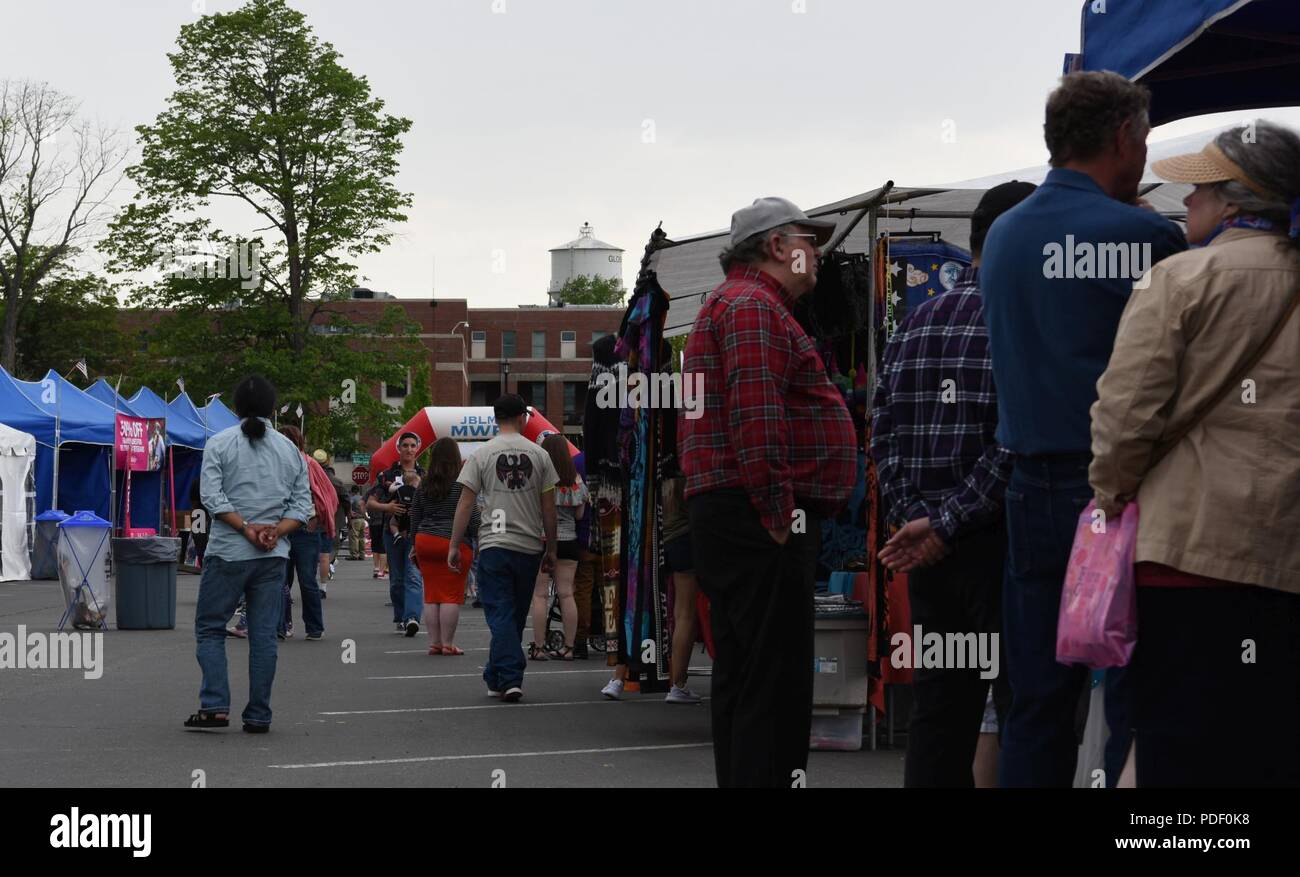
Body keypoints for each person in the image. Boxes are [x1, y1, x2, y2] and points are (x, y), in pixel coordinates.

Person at [980, 71, 1187, 788]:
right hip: (1126, 490)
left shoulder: (1004, 236)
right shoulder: (1150, 236)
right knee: (1136, 691)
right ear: (1125, 137)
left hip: (1029, 484)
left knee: (1037, 696)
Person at [1089, 121, 1300, 788]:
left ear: (1236, 202)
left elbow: (1124, 415)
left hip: (1186, 551)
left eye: (1200, 190)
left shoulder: (1177, 280)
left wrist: (1111, 494)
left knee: (1177, 744)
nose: (1187, 204)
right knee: (1271, 743)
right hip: (1286, 558)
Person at [680, 196, 857, 787]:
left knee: (749, 675)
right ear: (778, 247)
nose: (818, 256)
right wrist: (779, 515)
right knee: (771, 685)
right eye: (811, 243)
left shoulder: (738, 303)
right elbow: (758, 415)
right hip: (759, 517)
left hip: (740, 511)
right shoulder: (754, 305)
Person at [869, 181, 1036, 787]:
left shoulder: (913, 326)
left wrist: (923, 519)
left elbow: (880, 435)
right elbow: (1017, 439)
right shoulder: (1022, 323)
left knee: (940, 715)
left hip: (929, 553)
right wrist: (947, 521)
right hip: (1001, 544)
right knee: (1024, 708)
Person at [186, 374, 312, 733]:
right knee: (263, 636)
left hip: (228, 551)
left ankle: (214, 706)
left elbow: (211, 498)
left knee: (210, 629)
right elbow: (302, 506)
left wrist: (246, 528)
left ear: (236, 408)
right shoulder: (291, 451)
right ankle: (259, 714)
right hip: (273, 557)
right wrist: (275, 530)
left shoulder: (219, 443)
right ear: (273, 409)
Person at [448, 394, 559, 703]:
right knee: (512, 616)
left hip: (494, 545)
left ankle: (507, 676)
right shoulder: (540, 455)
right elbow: (549, 508)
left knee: (500, 614)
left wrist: (454, 544)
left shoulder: (481, 454)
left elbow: (466, 502)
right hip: (528, 546)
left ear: (496, 419)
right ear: (523, 418)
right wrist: (551, 547)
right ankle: (497, 677)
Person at [409, 437, 480, 656]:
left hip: (425, 541)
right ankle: (448, 644)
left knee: (431, 595)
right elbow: (473, 516)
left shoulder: (424, 483)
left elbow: (415, 515)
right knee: (450, 595)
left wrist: (414, 543)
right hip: (453, 542)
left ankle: (434, 643)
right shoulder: (462, 484)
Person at [528, 434, 588, 661]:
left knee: (540, 595)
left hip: (543, 540)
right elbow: (580, 513)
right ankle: (570, 647)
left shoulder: (540, 478)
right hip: (569, 539)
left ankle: (540, 647)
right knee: (567, 593)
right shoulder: (576, 479)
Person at [275, 425, 331, 641]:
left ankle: (314, 627)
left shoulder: (309, 464)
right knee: (280, 581)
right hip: (281, 529)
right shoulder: (274, 464)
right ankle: (279, 626)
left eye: (285, 439)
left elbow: (325, 494)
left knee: (307, 580)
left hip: (304, 530)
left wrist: (315, 516)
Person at [368, 432, 425, 636]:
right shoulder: (387, 475)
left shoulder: (425, 475)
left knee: (414, 575)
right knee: (397, 579)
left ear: (417, 448)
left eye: (412, 445)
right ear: (398, 448)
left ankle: (412, 617)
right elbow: (370, 502)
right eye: (405, 445)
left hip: (416, 533)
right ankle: (401, 616)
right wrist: (388, 507)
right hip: (391, 531)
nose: (409, 449)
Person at [661, 472, 701, 704]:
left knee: (676, 614)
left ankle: (674, 681)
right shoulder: (684, 475)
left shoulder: (660, 475)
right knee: (686, 615)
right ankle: (678, 682)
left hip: (665, 539)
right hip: (685, 539)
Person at [347, 485, 368, 560]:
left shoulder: (352, 498)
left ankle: (354, 555)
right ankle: (362, 554)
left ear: (352, 491)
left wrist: (349, 520)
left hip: (355, 519)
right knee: (361, 537)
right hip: (362, 519)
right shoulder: (363, 498)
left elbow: (349, 509)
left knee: (354, 537)